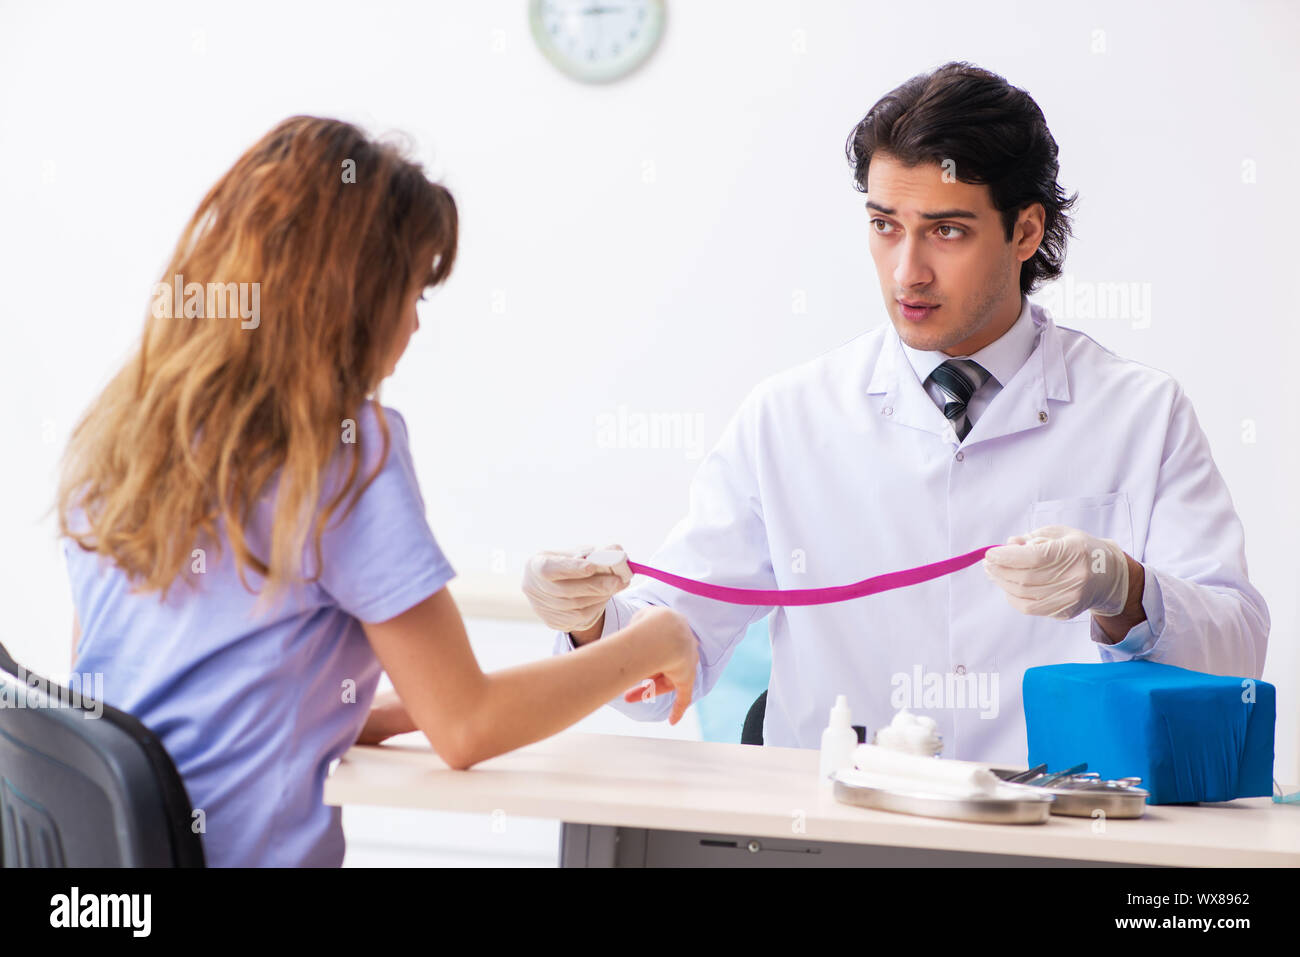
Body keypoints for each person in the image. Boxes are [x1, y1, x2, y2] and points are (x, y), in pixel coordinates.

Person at [522, 61, 1269, 764]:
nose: (907, 270)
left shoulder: (1141, 414)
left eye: (946, 230)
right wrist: (587, 620)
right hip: (830, 836)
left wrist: (1123, 587)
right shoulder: (787, 420)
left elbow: (1237, 656)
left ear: (1026, 231)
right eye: (885, 225)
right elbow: (667, 663)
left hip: (1052, 836)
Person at [56, 115, 697, 867]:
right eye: (413, 289)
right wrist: (654, 639)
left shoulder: (125, 432)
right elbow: (467, 726)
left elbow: (145, 700)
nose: (415, 324)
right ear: (351, 292)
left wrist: (372, 714)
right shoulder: (345, 453)